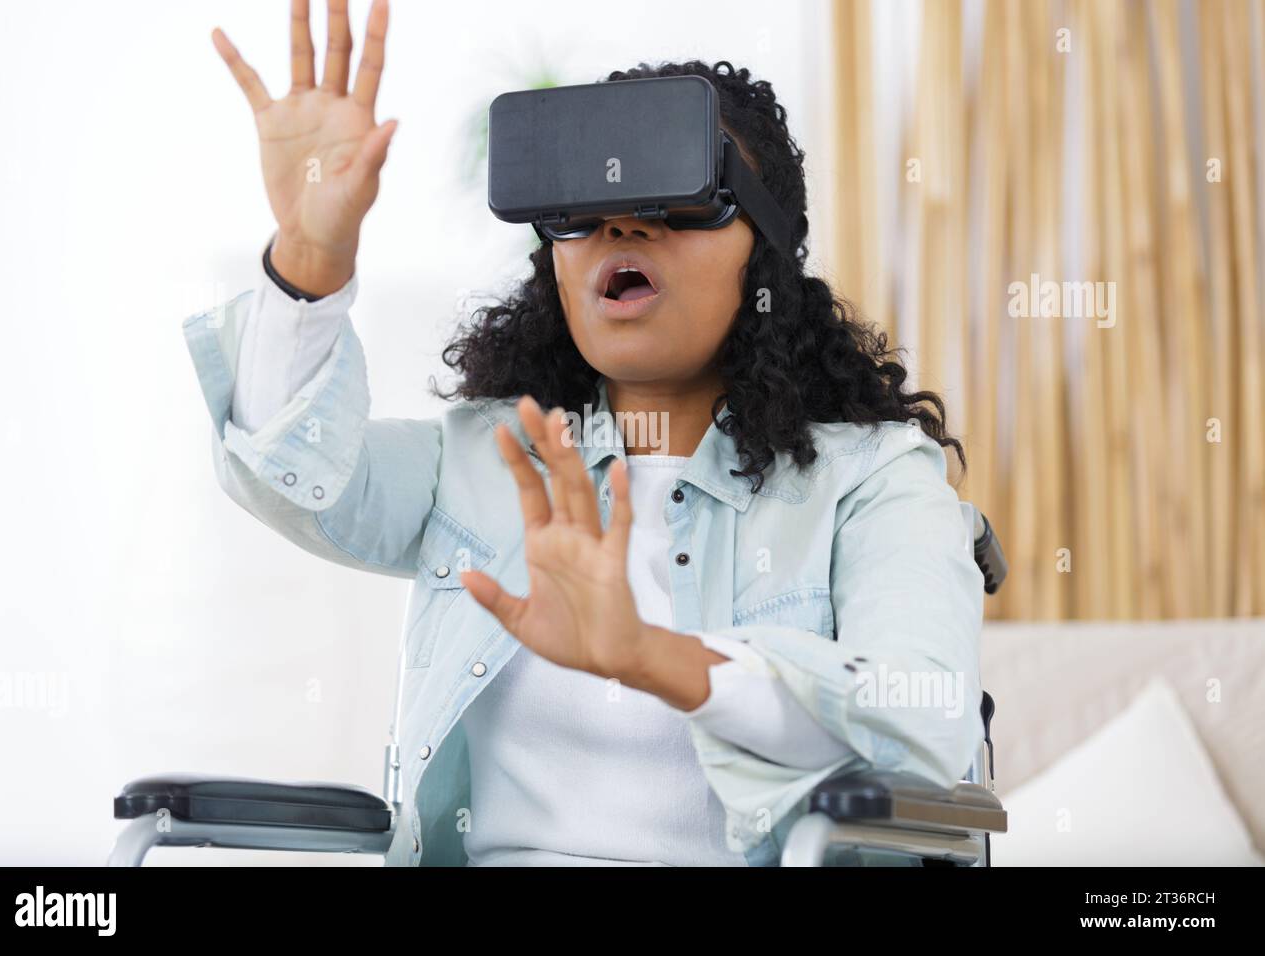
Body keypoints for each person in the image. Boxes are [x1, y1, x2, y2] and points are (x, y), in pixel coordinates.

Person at [189, 0, 986, 866]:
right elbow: (294, 470)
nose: (623, 225)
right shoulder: (488, 459)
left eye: (685, 196)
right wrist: (309, 260)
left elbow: (923, 719)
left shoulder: (870, 482)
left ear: (766, 253)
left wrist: (655, 656)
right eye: (584, 209)